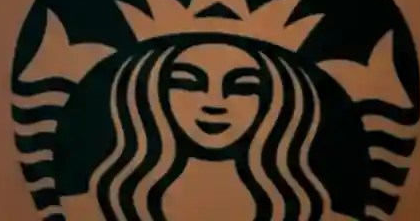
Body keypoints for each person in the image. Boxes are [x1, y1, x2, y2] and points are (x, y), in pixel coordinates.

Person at [52, 33, 368, 221]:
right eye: (188, 83)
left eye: (243, 87)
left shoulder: (321, 213)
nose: (214, 102)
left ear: (275, 102)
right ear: (153, 92)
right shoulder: (83, 208)